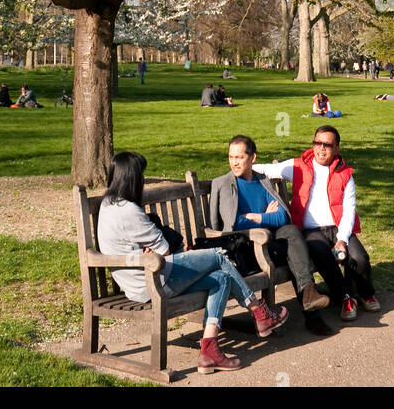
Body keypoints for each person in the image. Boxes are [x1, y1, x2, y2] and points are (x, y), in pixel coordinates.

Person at [97, 151, 287, 374]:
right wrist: (152, 249)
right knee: (218, 256)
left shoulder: (109, 205)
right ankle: (259, 311)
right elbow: (165, 249)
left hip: (144, 279)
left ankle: (209, 350)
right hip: (151, 282)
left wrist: (147, 248)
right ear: (132, 179)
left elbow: (148, 246)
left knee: (222, 278)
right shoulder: (129, 211)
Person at [258, 126, 378, 322]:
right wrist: (244, 164)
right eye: (318, 143)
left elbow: (349, 210)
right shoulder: (297, 166)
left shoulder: (345, 174)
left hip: (338, 228)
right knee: (322, 255)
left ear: (337, 148)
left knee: (359, 258)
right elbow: (266, 170)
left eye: (327, 145)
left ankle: (365, 293)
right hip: (311, 231)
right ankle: (345, 298)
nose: (321, 149)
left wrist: (342, 240)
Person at [209, 135, 330, 317]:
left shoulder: (261, 181)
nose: (234, 163)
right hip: (247, 248)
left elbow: (282, 216)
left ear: (253, 158)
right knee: (295, 247)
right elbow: (234, 223)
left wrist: (256, 216)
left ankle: (310, 298)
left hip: (271, 246)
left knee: (291, 232)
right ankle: (312, 304)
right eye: (231, 157)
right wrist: (267, 216)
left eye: (239, 157)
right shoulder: (225, 184)